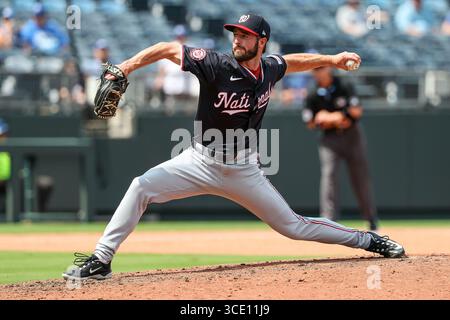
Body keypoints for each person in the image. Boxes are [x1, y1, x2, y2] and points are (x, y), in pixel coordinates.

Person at [63, 14, 405, 281]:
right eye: (235, 34)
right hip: (198, 160)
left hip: (244, 169)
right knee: (141, 186)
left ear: (262, 42)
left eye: (245, 36)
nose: (237, 40)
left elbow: (295, 61)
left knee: (294, 227)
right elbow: (167, 49)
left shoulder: (269, 68)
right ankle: (101, 260)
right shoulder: (215, 64)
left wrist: (332, 59)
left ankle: (369, 240)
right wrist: (125, 67)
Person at [302, 66, 379, 232]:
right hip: (329, 139)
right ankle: (329, 221)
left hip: (352, 136)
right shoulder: (313, 92)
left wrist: (331, 117)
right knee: (329, 176)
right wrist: (333, 118)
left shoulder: (343, 85)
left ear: (328, 68)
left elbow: (356, 111)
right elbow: (309, 122)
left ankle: (371, 219)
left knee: (360, 178)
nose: (317, 72)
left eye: (320, 68)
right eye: (314, 69)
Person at [153, 25, 199, 114]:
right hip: (171, 87)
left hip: (187, 88)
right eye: (178, 36)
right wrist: (159, 79)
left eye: (182, 35)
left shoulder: (192, 48)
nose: (180, 38)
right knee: (171, 111)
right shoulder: (169, 47)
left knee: (188, 112)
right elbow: (162, 68)